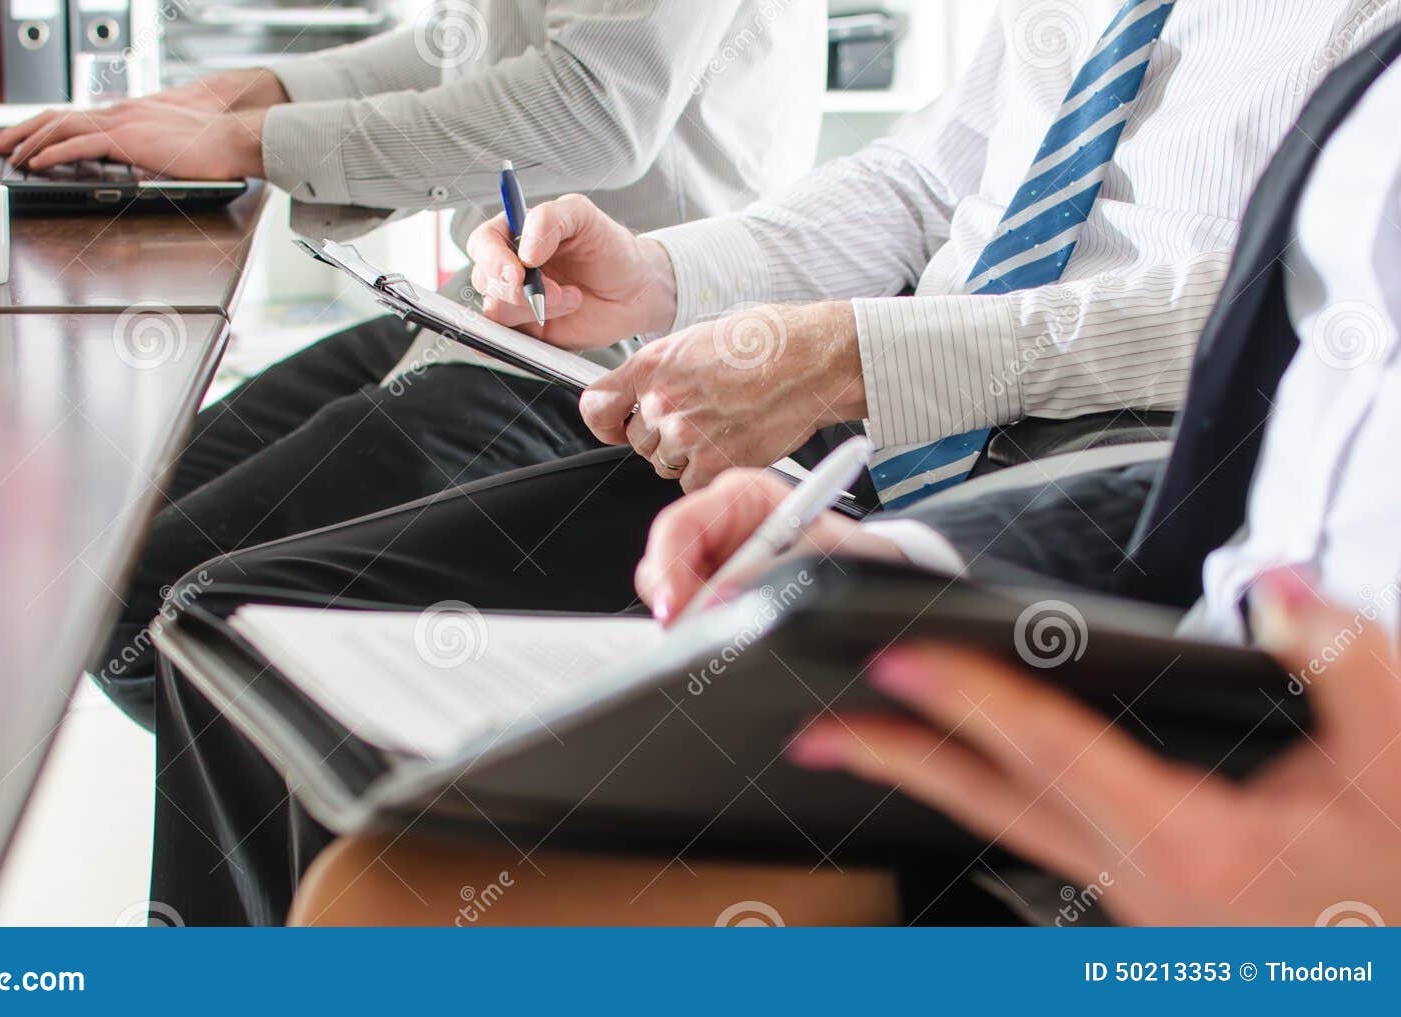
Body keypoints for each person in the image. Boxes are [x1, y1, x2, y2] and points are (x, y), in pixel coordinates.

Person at [151, 9, 1401, 926]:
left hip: (1107, 454)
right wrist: (666, 276)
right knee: (233, 635)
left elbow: (1271, 312)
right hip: (871, 435)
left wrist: (866, 353)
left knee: (408, 882)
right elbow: (926, 181)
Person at [0, 1, 827, 727]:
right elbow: (464, 40)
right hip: (482, 320)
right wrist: (251, 96)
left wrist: (252, 140)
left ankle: (395, 856)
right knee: (110, 542)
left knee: (149, 603)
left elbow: (595, 106)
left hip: (606, 363)